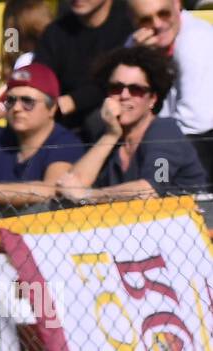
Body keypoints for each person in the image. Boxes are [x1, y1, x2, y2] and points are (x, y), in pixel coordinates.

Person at [56, 46, 205, 203]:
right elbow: (71, 186)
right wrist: (110, 135)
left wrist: (89, 196)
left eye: (136, 89)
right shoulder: (108, 136)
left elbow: (151, 189)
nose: (124, 96)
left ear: (153, 99)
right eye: (116, 88)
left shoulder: (165, 132)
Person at [0, 63, 85, 207]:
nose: (17, 108)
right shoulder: (3, 142)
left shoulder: (65, 143)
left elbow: (51, 190)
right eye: (10, 100)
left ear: (52, 108)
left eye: (28, 101)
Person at [127, 0, 213, 180]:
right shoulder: (137, 42)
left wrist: (151, 140)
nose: (157, 24)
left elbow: (196, 120)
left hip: (199, 142)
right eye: (145, 19)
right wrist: (139, 56)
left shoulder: (196, 41)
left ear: (177, 5)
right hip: (166, 134)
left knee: (159, 179)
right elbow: (115, 89)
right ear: (133, 20)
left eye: (163, 14)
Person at [33, 0, 134, 133]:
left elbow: (121, 82)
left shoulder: (130, 25)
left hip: (115, 125)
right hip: (62, 126)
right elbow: (38, 80)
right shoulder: (55, 32)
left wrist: (73, 101)